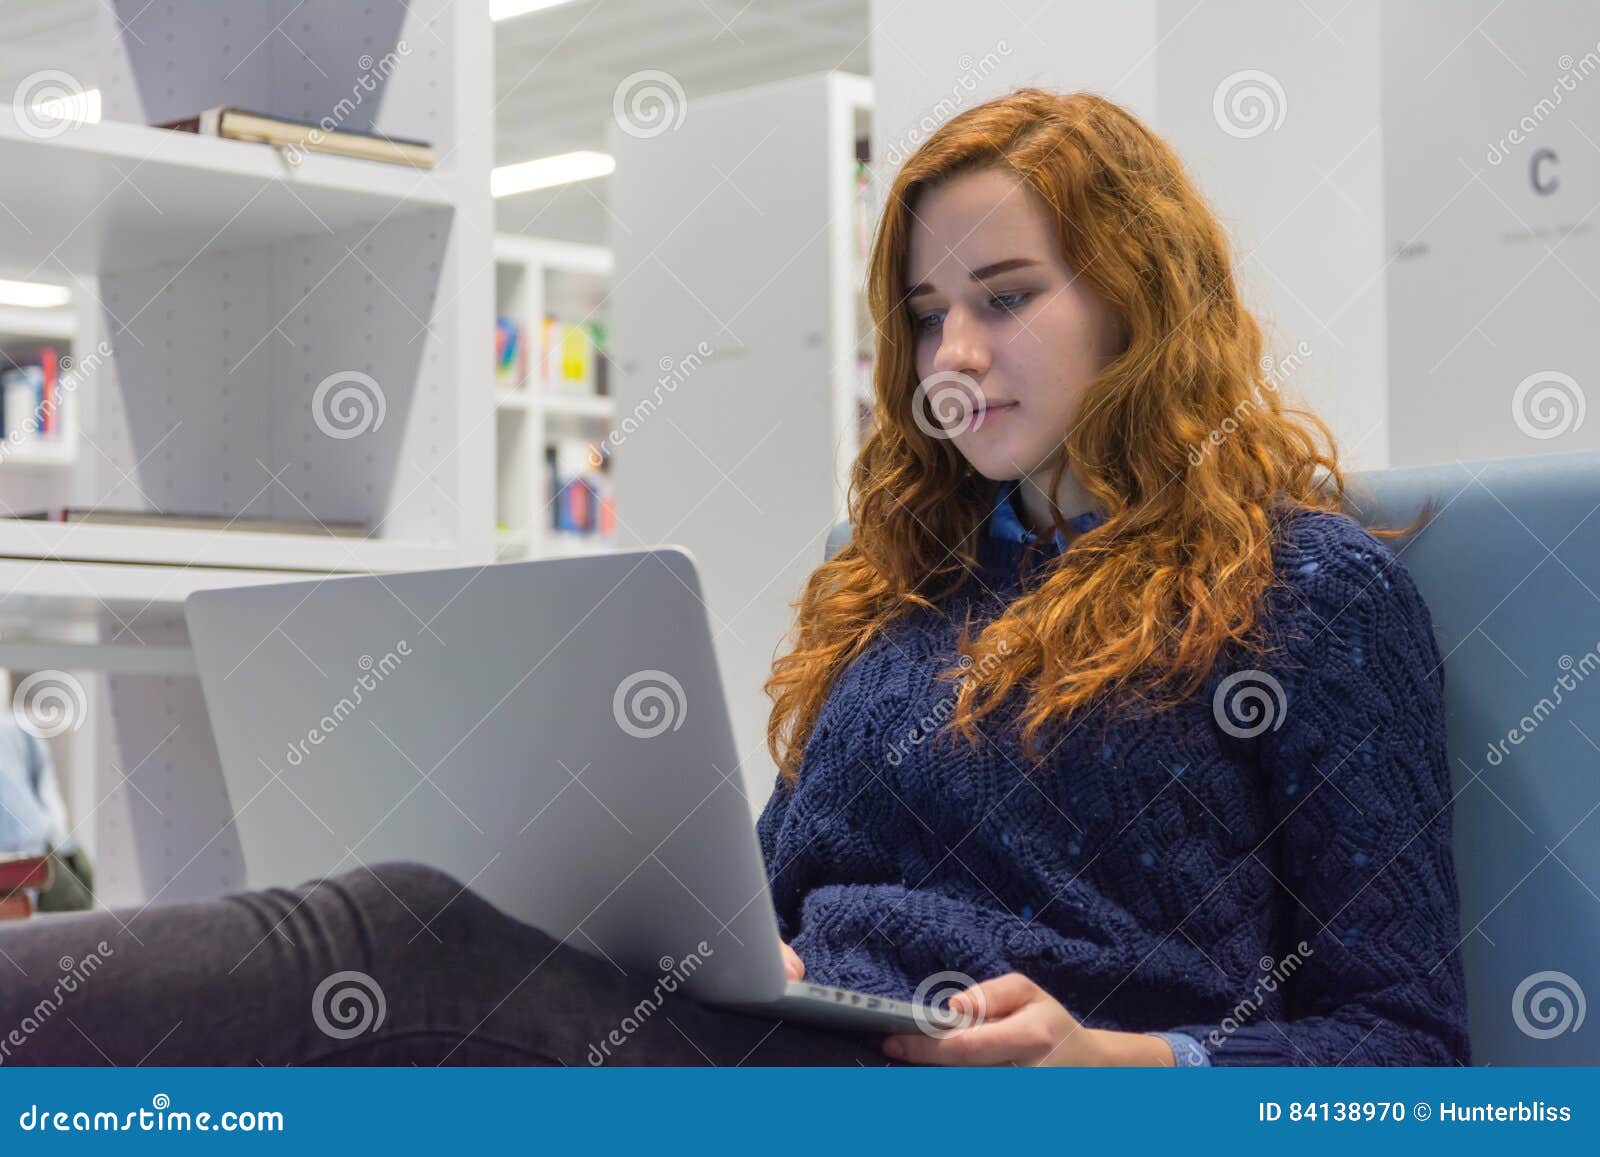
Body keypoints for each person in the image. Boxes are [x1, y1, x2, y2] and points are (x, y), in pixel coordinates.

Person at [0, 87, 1470, 1067]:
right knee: (376, 975)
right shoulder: (905, 579)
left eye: (1006, 299)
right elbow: (763, 902)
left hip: (1007, 1099)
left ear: (1143, 296)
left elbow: (1405, 1041)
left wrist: (1122, 1059)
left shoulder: (1307, 592)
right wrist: (729, 936)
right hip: (791, 1050)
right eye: (926, 314)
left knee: (400, 941)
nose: (952, 357)